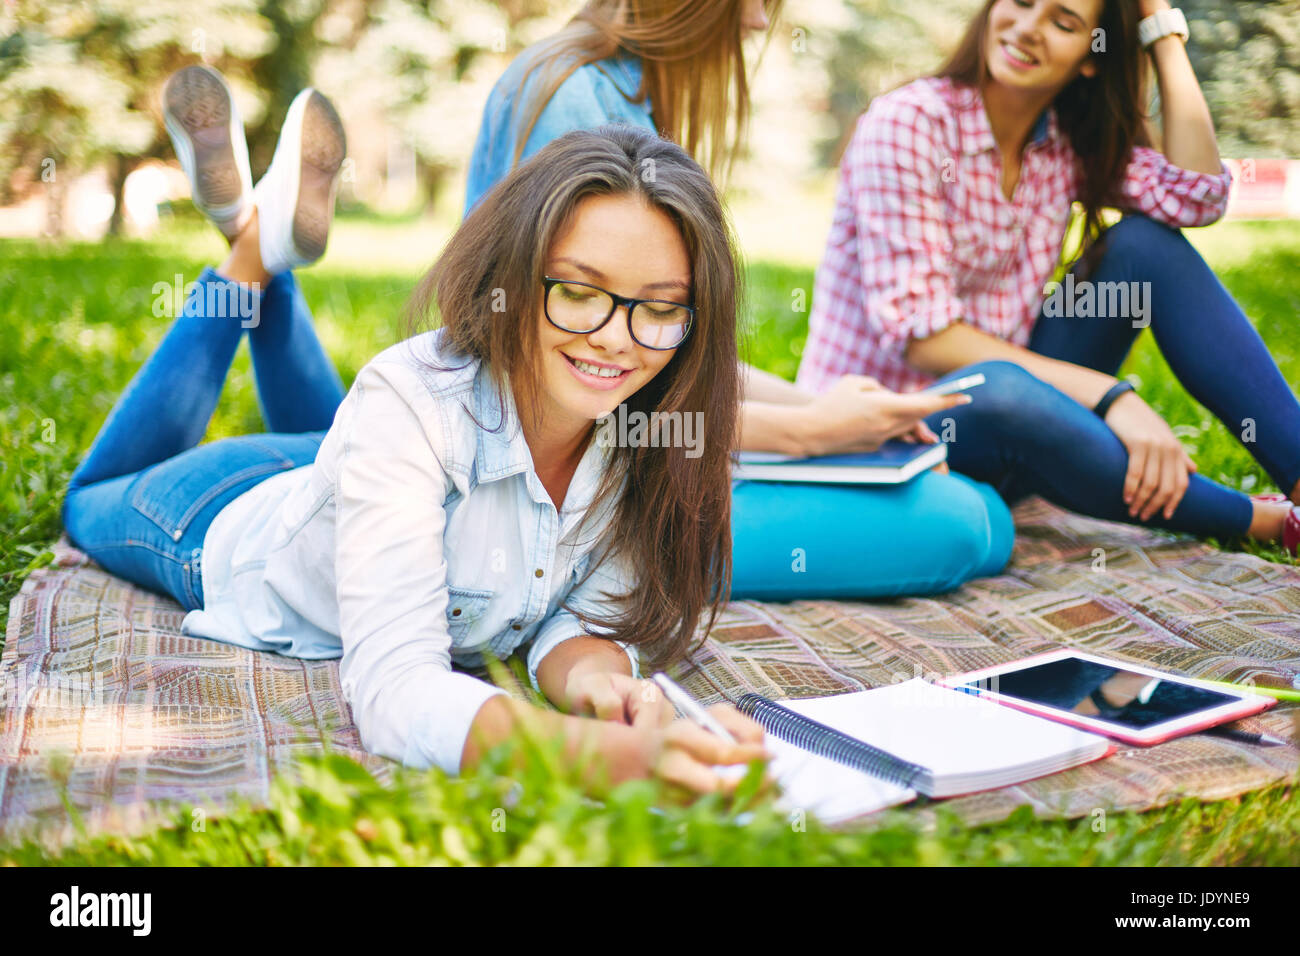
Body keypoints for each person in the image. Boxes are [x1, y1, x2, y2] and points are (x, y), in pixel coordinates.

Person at [60, 65, 766, 794]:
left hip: (346, 474)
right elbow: (395, 688)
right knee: (88, 500)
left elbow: (579, 622)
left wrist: (597, 685)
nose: (617, 338)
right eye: (580, 292)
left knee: (352, 435)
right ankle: (249, 253)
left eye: (658, 308)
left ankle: (262, 233)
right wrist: (599, 760)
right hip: (224, 515)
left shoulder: (649, 438)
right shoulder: (411, 401)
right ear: (513, 277)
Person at [466, 0, 1016, 600]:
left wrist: (836, 413)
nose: (758, 21)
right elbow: (591, 378)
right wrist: (808, 432)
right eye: (756, 1)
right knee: (970, 523)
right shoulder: (571, 98)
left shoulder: (622, 97)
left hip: (638, 456)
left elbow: (653, 350)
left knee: (976, 517)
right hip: (583, 491)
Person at [797, 0, 1300, 550]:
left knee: (1144, 247)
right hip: (889, 441)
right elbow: (924, 338)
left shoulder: (1065, 140)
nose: (1029, 29)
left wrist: (1159, 26)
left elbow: (1197, 196)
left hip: (1021, 422)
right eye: (1021, 2)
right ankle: (1264, 521)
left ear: (1091, 56)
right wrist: (1111, 397)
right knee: (1001, 389)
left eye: (1063, 23)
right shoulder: (908, 123)